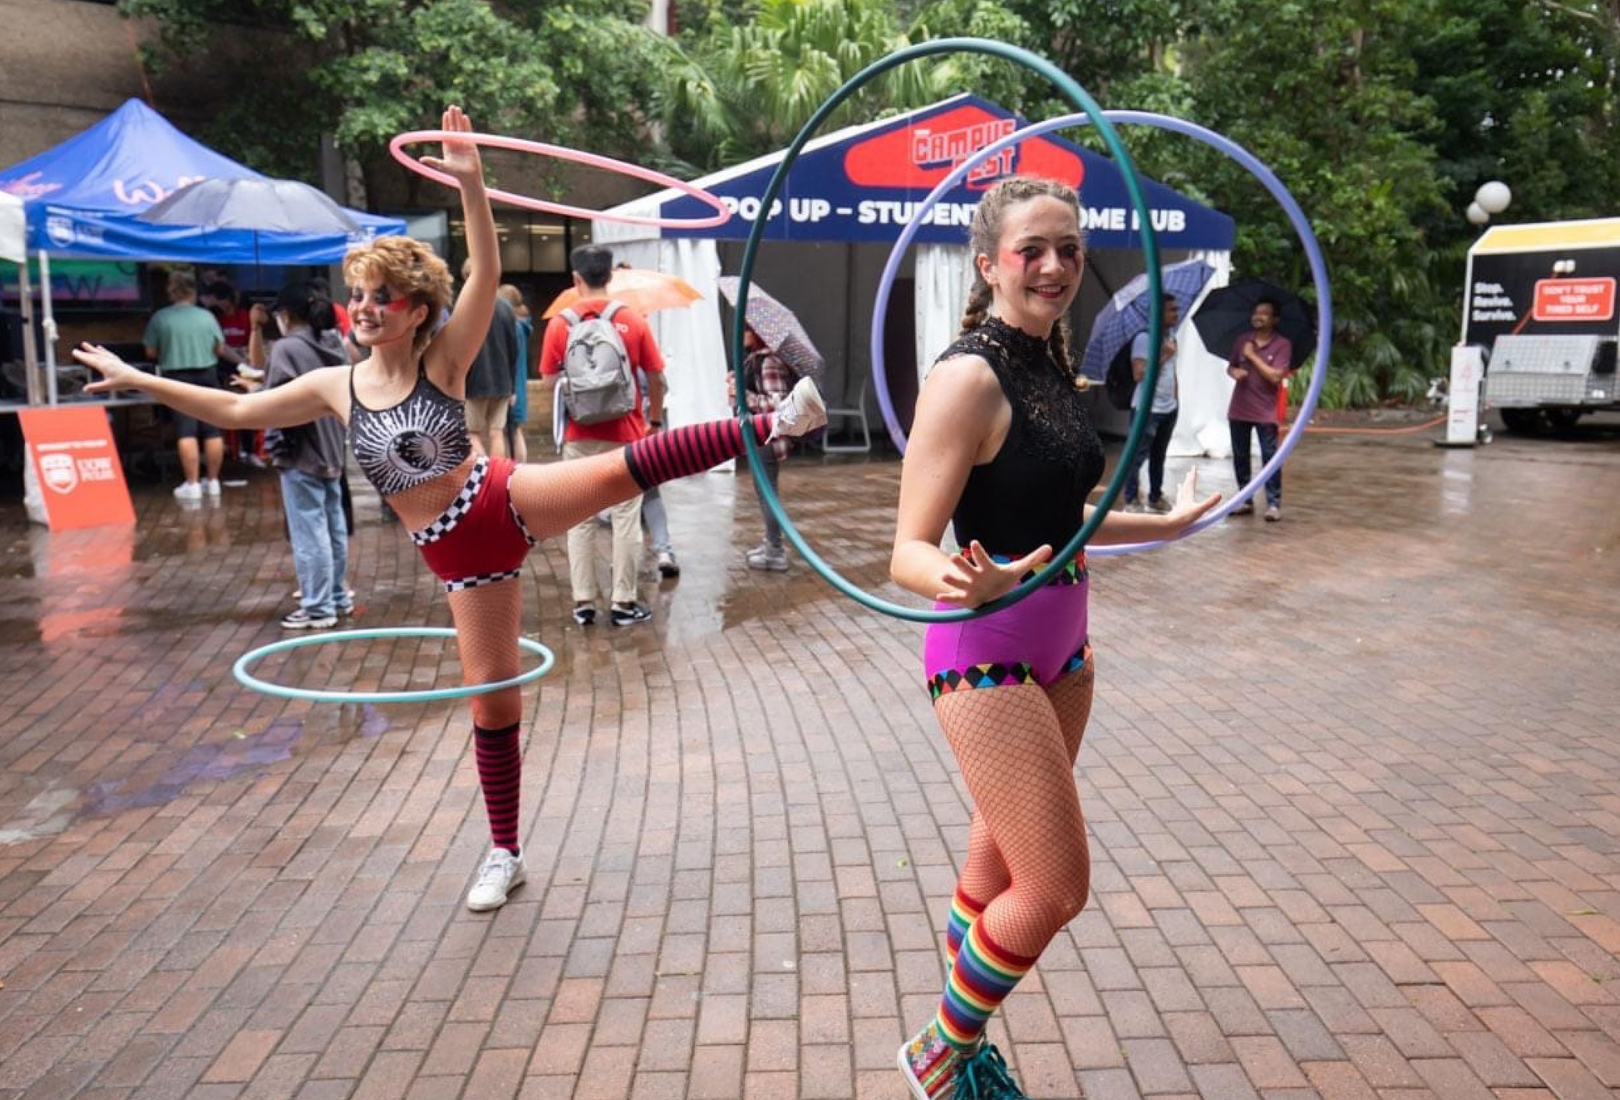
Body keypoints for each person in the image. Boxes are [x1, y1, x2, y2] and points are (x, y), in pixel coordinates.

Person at [72, 107, 826, 913]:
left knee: (620, 471)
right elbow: (232, 414)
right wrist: (140, 378)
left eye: (383, 296)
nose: (364, 307)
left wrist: (471, 183)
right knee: (493, 700)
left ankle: (776, 424)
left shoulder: (445, 358)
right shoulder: (337, 386)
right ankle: (505, 850)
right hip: (458, 560)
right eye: (358, 295)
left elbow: (482, 268)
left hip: (499, 498)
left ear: (416, 310)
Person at [889, 176, 1218, 1099]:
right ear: (989, 262)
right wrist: (969, 580)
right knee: (1055, 888)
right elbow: (907, 551)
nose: (1055, 265)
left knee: (997, 860)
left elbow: (1059, 513)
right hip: (984, 650)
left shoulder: (1050, 364)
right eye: (1033, 249)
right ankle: (940, 1052)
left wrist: (1162, 525)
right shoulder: (967, 377)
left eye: (1069, 247)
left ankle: (965, 1051)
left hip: (1063, 649)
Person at [539, 244, 668, 627]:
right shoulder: (632, 319)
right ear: (609, 277)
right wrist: (655, 420)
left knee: (580, 518)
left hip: (579, 435)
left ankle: (583, 602)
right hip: (626, 433)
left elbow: (548, 382)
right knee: (627, 516)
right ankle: (624, 602)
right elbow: (657, 377)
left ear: (576, 278)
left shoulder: (560, 323)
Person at [263, 281, 352, 629]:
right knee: (333, 526)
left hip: (301, 450)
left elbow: (275, 402)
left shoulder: (285, 349)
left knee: (309, 531)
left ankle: (317, 606)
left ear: (285, 315)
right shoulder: (333, 343)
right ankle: (337, 596)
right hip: (332, 445)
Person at [728, 324, 815, 571]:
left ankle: (775, 550)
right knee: (764, 492)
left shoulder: (768, 362)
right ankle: (770, 543)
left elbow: (780, 404)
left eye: (746, 329)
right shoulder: (755, 360)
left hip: (768, 438)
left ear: (757, 332)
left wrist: (745, 395)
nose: (741, 334)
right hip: (760, 436)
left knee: (768, 494)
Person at [143, 269, 229, 501]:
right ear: (193, 291)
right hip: (208, 375)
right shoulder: (206, 316)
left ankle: (192, 484)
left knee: (186, 429)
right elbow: (220, 349)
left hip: (177, 378)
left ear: (171, 291)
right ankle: (213, 482)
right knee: (212, 429)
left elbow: (150, 351)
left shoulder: (161, 317)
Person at [1225, 298, 1294, 522]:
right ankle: (1245, 499)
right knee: (1240, 456)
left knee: (1270, 456)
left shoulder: (1283, 344)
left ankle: (1273, 503)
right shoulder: (1242, 340)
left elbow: (1275, 376)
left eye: (1264, 313)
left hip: (1265, 411)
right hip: (1239, 409)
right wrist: (1234, 372)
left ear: (1275, 320)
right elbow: (1231, 365)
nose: (1258, 316)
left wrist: (1252, 356)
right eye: (1256, 312)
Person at [1122, 293, 1181, 513]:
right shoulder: (1144, 339)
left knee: (1159, 455)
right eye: (1171, 310)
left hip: (1168, 408)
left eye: (1177, 309)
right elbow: (1139, 374)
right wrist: (1163, 355)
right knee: (1137, 456)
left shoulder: (1171, 337)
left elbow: (1172, 373)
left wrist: (1176, 400)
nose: (1176, 313)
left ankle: (1155, 496)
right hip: (1147, 409)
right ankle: (1131, 500)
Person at [462, 259, 518, 459]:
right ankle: (498, 477)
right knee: (497, 433)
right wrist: (511, 386)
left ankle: (485, 475)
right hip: (502, 380)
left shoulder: (464, 305)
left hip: (474, 381)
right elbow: (514, 349)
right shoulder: (505, 307)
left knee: (471, 433)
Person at [497, 284, 533, 464]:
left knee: (512, 431)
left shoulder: (514, 327)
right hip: (518, 385)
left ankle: (517, 469)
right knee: (512, 430)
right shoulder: (522, 326)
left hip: (514, 386)